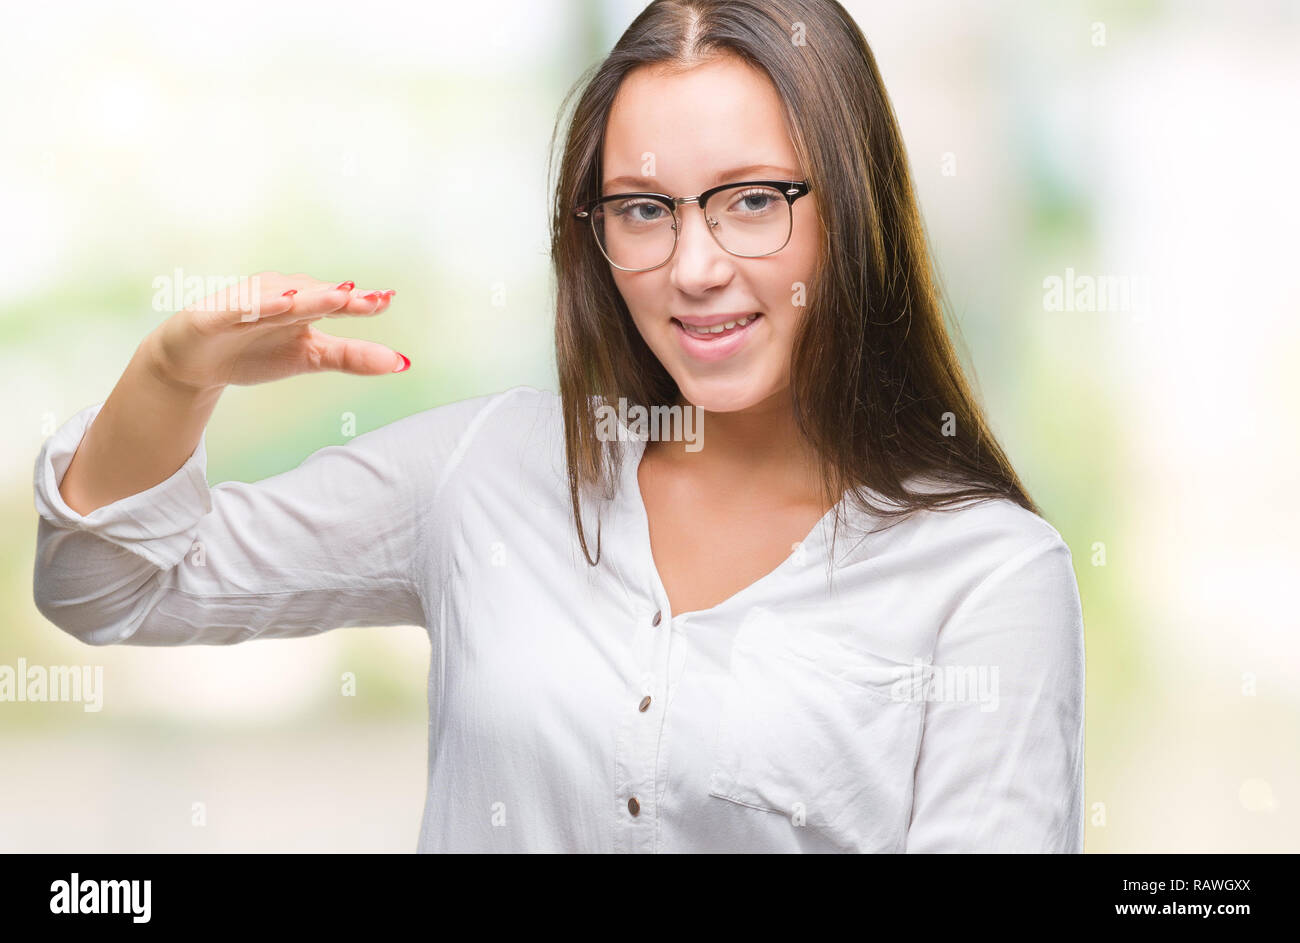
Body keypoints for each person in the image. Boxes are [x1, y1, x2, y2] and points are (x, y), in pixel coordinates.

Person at [32, 0, 1084, 853]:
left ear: (850, 204)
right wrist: (172, 373)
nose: (693, 266)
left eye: (751, 200)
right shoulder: (484, 471)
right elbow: (108, 587)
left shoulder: (986, 578)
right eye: (641, 208)